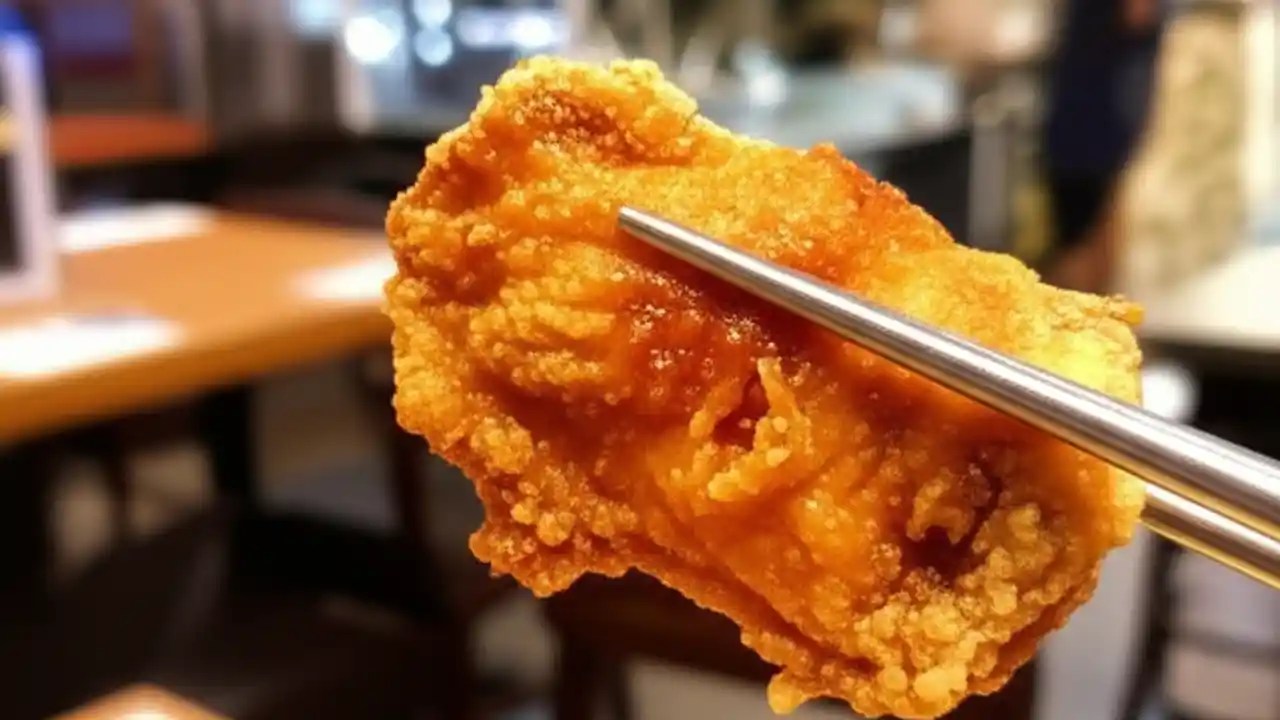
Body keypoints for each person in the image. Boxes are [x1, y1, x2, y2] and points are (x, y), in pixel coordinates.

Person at [1041, 0, 1165, 292]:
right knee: (1083, 232)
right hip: (1091, 112)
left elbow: (1138, 16)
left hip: (1099, 113)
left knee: (1087, 233)